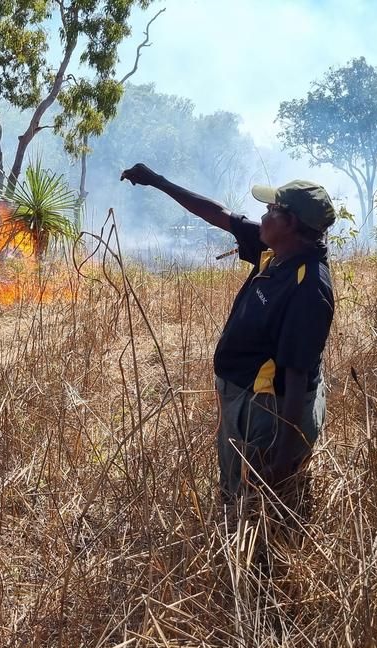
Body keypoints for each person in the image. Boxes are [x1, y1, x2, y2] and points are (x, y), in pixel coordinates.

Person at [121, 163, 336, 533]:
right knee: (237, 492)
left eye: (271, 211)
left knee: (261, 505)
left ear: (292, 224)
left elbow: (297, 375)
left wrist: (284, 457)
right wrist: (158, 180)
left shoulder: (308, 287)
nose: (263, 216)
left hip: (266, 411)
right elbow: (217, 214)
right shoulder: (275, 251)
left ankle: (260, 577)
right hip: (243, 402)